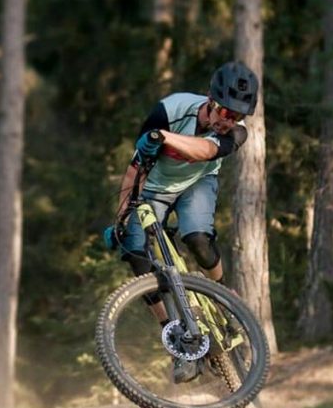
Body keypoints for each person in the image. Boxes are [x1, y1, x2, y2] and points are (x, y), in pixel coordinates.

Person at [107, 60, 259, 383]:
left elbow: (202, 152)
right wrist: (121, 218)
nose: (228, 121)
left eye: (236, 115)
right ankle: (175, 338)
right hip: (154, 189)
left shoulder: (237, 133)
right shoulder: (170, 110)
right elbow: (136, 168)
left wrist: (163, 138)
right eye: (224, 111)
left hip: (197, 184)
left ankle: (223, 298)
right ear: (210, 99)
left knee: (197, 238)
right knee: (135, 253)